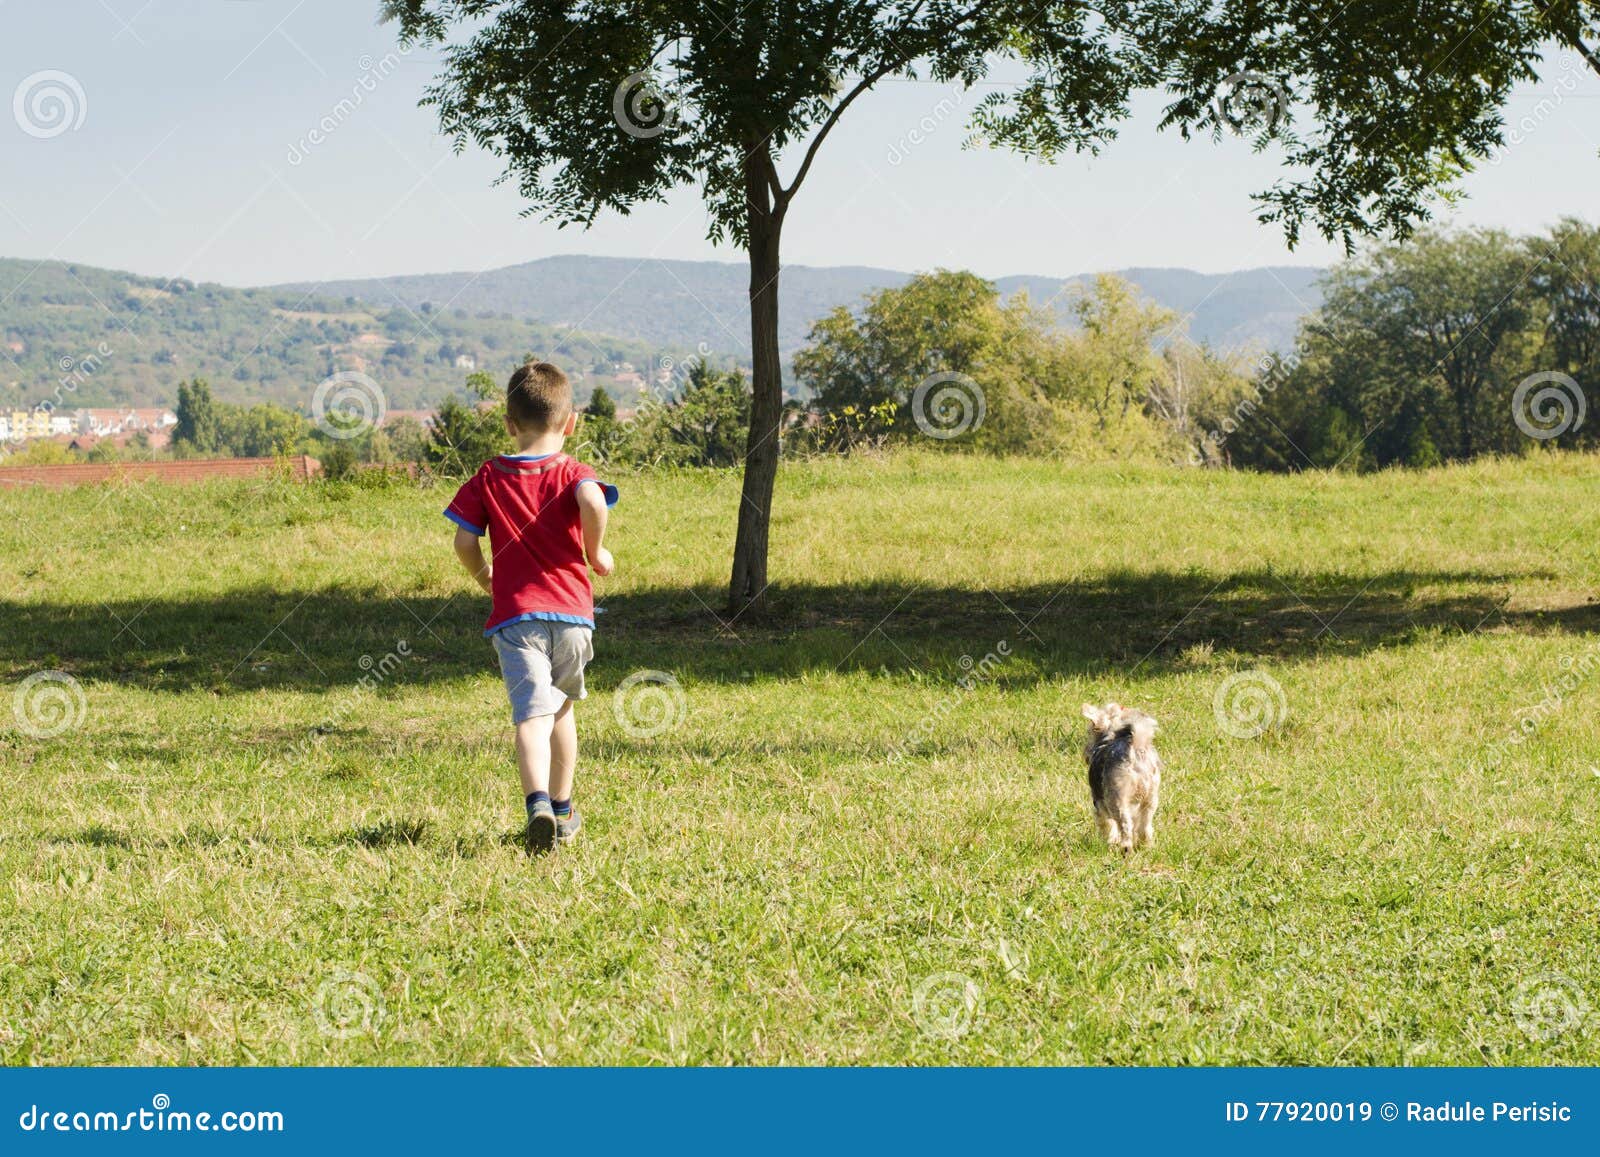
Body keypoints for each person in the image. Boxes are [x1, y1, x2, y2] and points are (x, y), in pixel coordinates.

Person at [445, 361, 617, 854]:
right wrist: (595, 552)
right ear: (571, 422)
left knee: (530, 716)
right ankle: (563, 813)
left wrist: (487, 579)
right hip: (573, 616)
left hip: (517, 619)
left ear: (508, 423)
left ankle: (538, 803)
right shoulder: (574, 472)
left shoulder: (490, 476)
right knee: (562, 710)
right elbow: (594, 501)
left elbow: (463, 541)